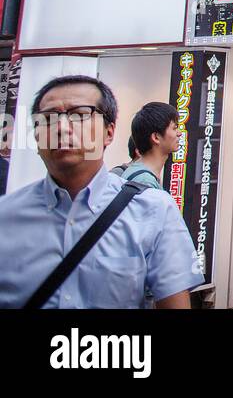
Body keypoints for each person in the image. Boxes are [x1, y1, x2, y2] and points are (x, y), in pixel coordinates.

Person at [0, 75, 203, 308]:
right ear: (36, 135)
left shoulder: (154, 210)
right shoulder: (6, 216)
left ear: (109, 132)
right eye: (48, 118)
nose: (63, 128)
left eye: (80, 115)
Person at [114, 102, 180, 190]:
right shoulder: (144, 181)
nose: (179, 133)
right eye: (174, 128)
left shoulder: (141, 174)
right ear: (156, 137)